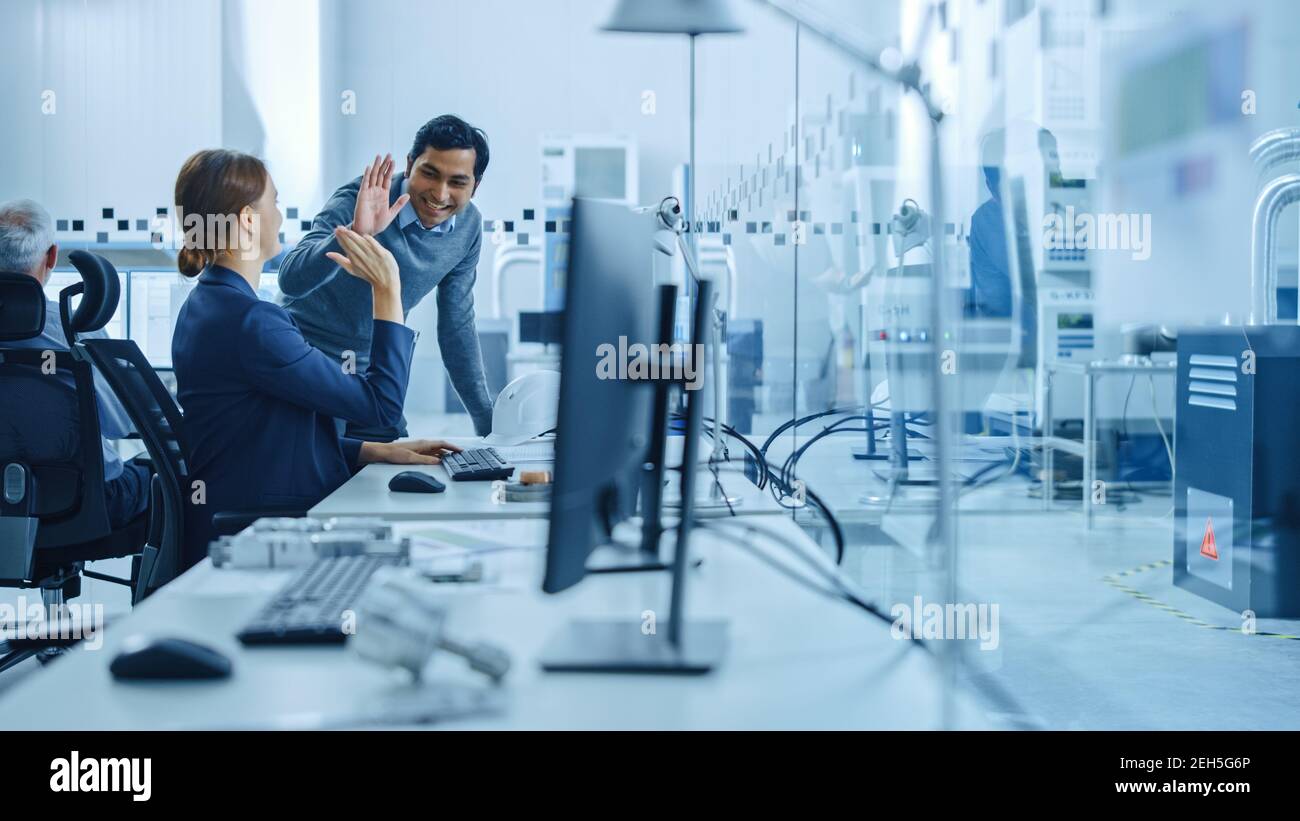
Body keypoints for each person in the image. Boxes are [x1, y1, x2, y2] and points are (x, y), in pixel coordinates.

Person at [170, 149, 460, 569]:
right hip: (263, 530)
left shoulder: (208, 304)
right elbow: (381, 408)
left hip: (239, 512)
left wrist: (373, 452)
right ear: (248, 220)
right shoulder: (254, 322)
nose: (280, 215)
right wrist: (388, 288)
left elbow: (263, 433)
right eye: (273, 201)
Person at [277, 114, 494, 440]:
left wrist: (487, 425)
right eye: (429, 173)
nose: (440, 193)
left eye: (458, 182)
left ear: (475, 187)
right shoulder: (359, 199)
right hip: (306, 363)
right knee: (328, 471)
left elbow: (456, 325)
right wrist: (354, 234)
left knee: (397, 467)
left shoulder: (468, 228)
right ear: (410, 165)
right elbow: (290, 279)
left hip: (371, 378)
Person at [0, 198, 150, 530]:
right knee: (161, 480)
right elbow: (121, 422)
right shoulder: (73, 326)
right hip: (82, 503)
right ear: (52, 256)